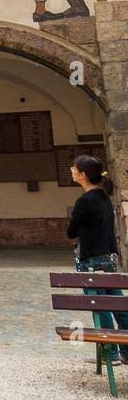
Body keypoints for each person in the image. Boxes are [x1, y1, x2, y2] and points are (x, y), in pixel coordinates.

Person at [67, 155, 126, 361]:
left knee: (100, 305)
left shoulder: (84, 200)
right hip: (108, 257)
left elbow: (71, 231)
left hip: (91, 259)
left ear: (83, 175)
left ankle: (110, 353)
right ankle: (126, 352)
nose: (71, 170)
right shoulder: (104, 196)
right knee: (118, 303)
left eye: (74, 168)